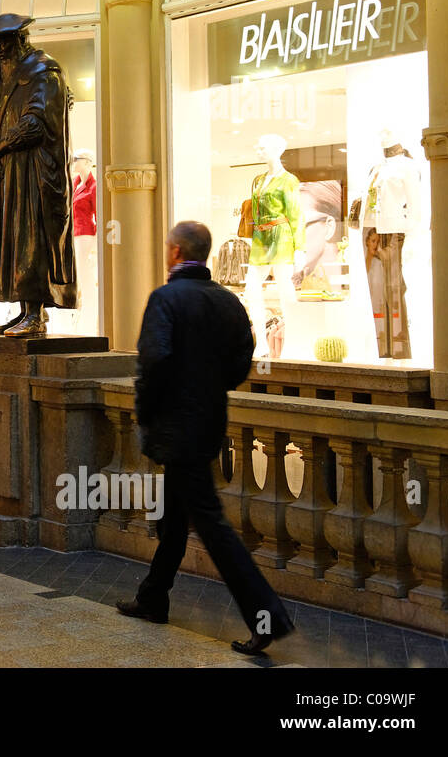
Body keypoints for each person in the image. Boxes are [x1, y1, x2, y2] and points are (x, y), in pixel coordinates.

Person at [116, 221, 295, 657]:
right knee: (175, 518)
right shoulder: (227, 301)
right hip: (209, 423)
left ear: (176, 252)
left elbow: (153, 362)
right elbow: (242, 361)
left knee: (213, 526)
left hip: (176, 428)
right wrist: (211, 389)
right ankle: (153, 595)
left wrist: (146, 412)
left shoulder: (165, 299)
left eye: (166, 248)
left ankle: (265, 617)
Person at [0, 13, 77, 337]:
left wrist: (0, 147)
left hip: (35, 175)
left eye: (4, 42)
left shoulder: (45, 72)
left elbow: (36, 123)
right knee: (13, 243)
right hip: (12, 175)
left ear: (21, 40)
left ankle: (35, 313)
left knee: (31, 239)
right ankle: (25, 310)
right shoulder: (6, 77)